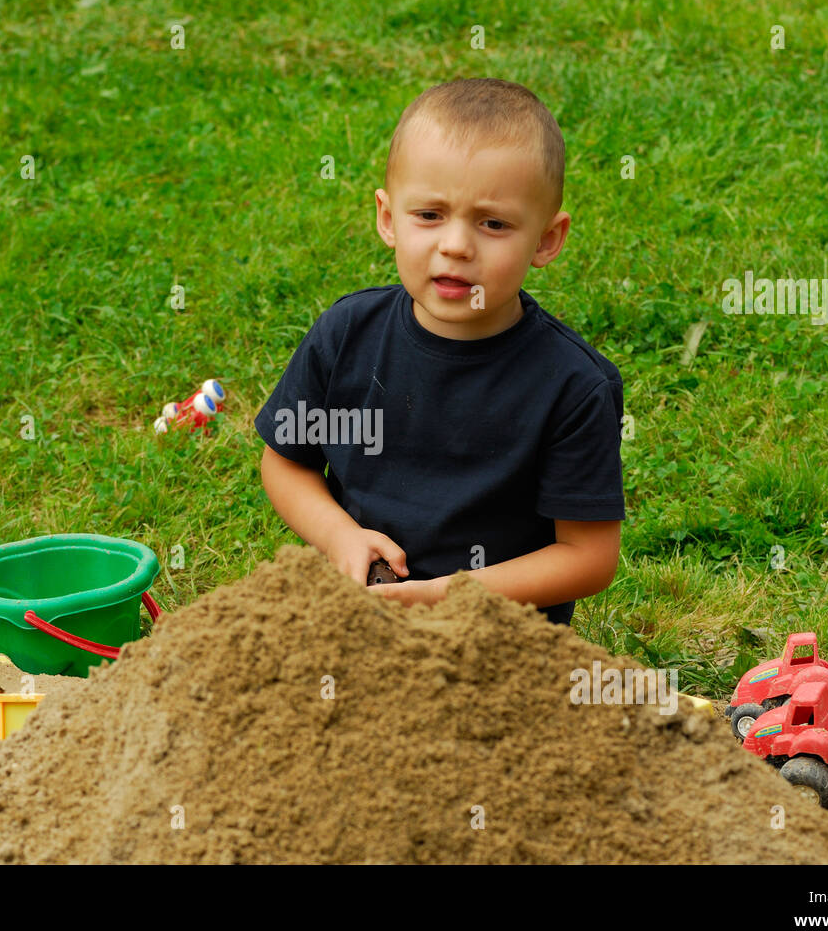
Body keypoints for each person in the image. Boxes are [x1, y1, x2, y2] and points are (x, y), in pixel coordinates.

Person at [255, 77, 624, 625]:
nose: (455, 244)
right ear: (387, 218)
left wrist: (452, 594)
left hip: (497, 641)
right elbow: (286, 465)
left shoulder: (571, 384)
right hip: (355, 614)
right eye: (428, 215)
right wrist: (342, 537)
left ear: (547, 239)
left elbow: (588, 557)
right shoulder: (347, 334)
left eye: (493, 223)